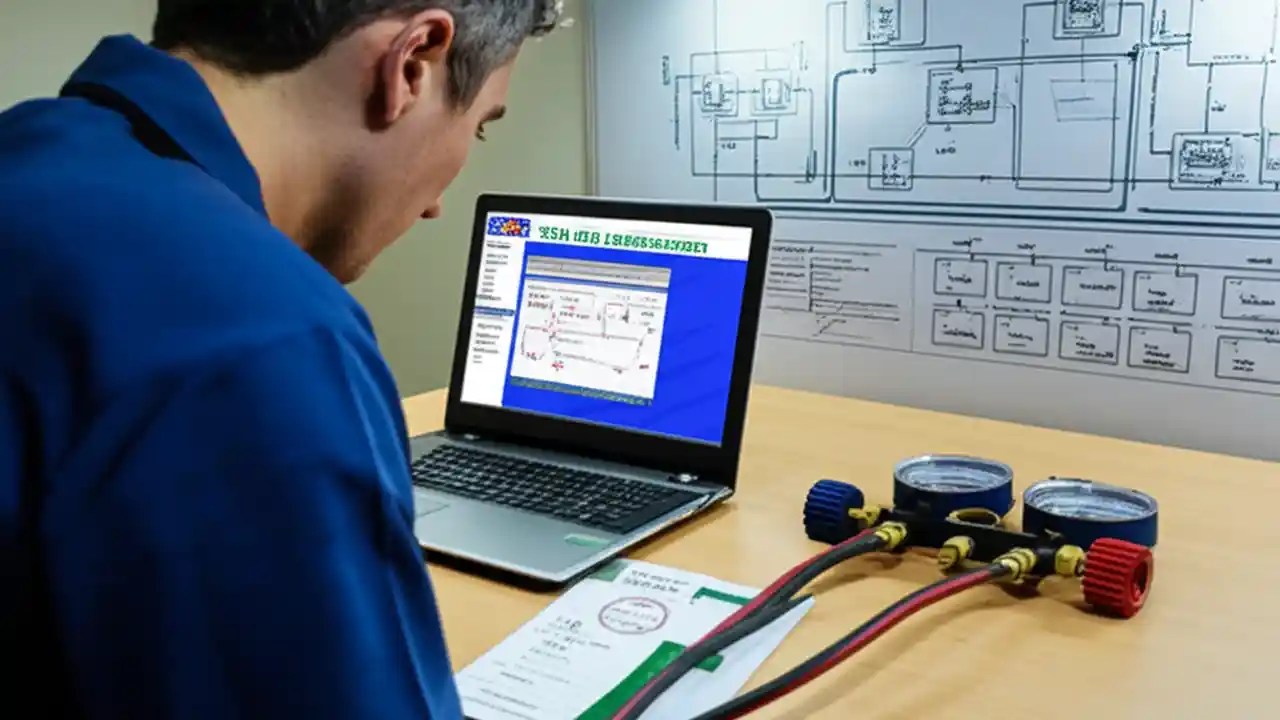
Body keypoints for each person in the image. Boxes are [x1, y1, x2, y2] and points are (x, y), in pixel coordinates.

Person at [0, 1, 563, 717]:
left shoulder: (25, 151)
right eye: (479, 124)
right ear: (413, 62)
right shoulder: (262, 334)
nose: (436, 208)